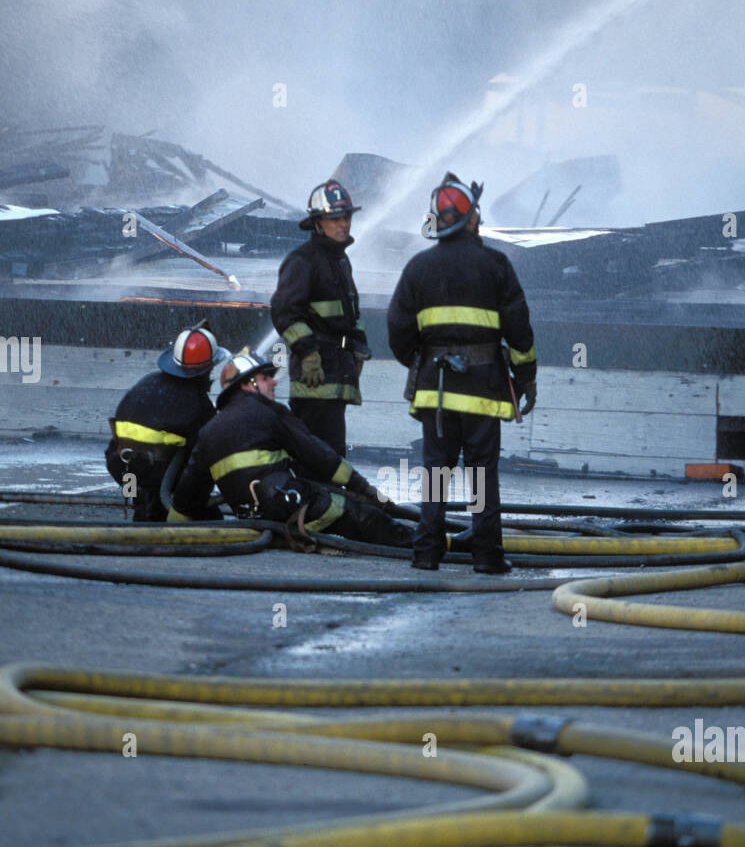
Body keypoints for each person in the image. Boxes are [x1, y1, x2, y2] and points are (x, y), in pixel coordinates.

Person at [387, 171, 537, 574]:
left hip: (434, 392)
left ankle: (426, 553)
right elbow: (519, 331)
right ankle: (487, 556)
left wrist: (420, 362)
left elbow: (398, 331)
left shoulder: (417, 268)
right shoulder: (496, 265)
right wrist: (526, 378)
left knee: (436, 471)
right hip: (484, 390)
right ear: (471, 219)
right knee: (482, 475)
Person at [168, 348, 413, 550]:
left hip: (254, 520)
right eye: (266, 378)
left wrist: (169, 532)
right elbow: (319, 456)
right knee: (366, 518)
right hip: (290, 506)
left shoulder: (208, 431)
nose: (274, 381)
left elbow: (188, 494)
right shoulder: (270, 412)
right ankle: (435, 543)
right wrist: (365, 489)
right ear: (247, 385)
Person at [269, 178, 370, 457]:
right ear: (317, 223)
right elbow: (284, 312)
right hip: (315, 382)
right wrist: (308, 353)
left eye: (346, 217)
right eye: (335, 218)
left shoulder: (339, 261)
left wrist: (359, 350)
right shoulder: (303, 261)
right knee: (316, 458)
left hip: (337, 376)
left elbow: (350, 314)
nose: (344, 224)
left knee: (332, 455)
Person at [105, 326, 228, 522]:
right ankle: (164, 514)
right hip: (160, 475)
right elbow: (206, 457)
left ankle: (145, 509)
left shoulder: (148, 382)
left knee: (147, 505)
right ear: (207, 369)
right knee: (210, 516)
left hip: (123, 468)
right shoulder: (198, 404)